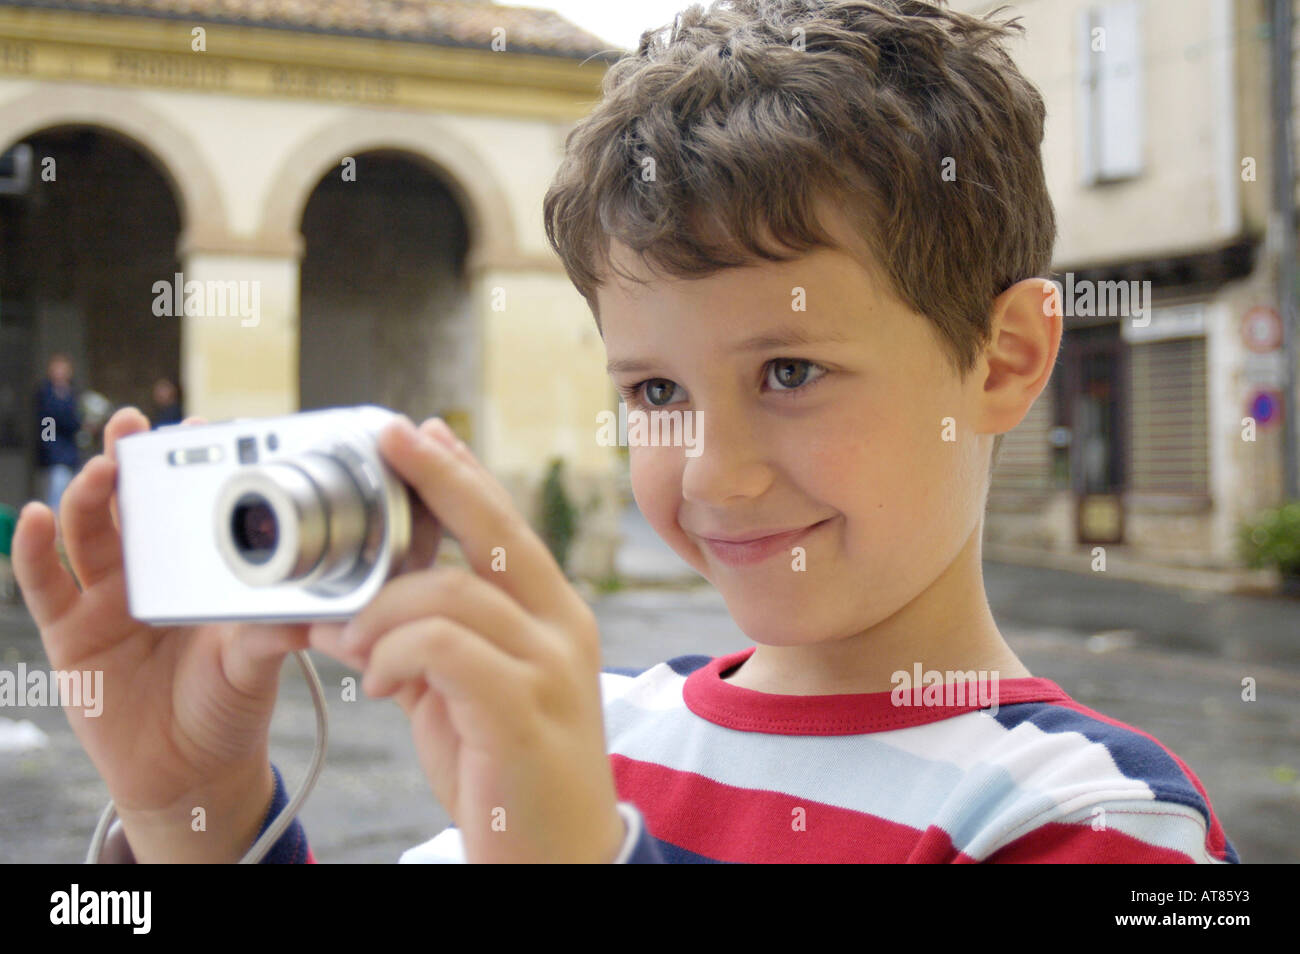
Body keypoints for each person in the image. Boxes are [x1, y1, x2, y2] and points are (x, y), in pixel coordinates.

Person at [11, 0, 1237, 864]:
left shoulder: (1097, 821)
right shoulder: (574, 733)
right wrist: (197, 812)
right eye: (654, 392)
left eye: (791, 368)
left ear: (1006, 358)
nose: (715, 471)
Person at [34, 353, 80, 520]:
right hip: (56, 453)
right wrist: (51, 449)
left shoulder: (72, 393)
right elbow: (47, 422)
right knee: (57, 494)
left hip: (71, 452)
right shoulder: (47, 394)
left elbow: (76, 420)